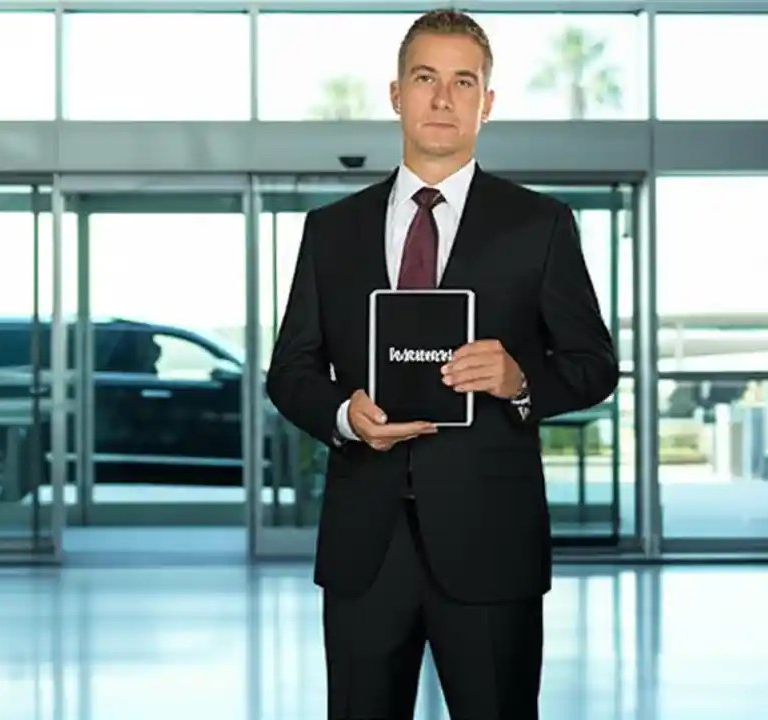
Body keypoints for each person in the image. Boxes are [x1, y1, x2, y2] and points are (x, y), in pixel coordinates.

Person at [265, 8, 618, 719]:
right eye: (426, 78)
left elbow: (593, 364)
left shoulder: (539, 225)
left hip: (491, 543)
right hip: (366, 545)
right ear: (396, 93)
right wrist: (343, 415)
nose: (443, 98)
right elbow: (290, 370)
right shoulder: (331, 232)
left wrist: (520, 382)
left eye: (464, 82)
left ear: (487, 104)